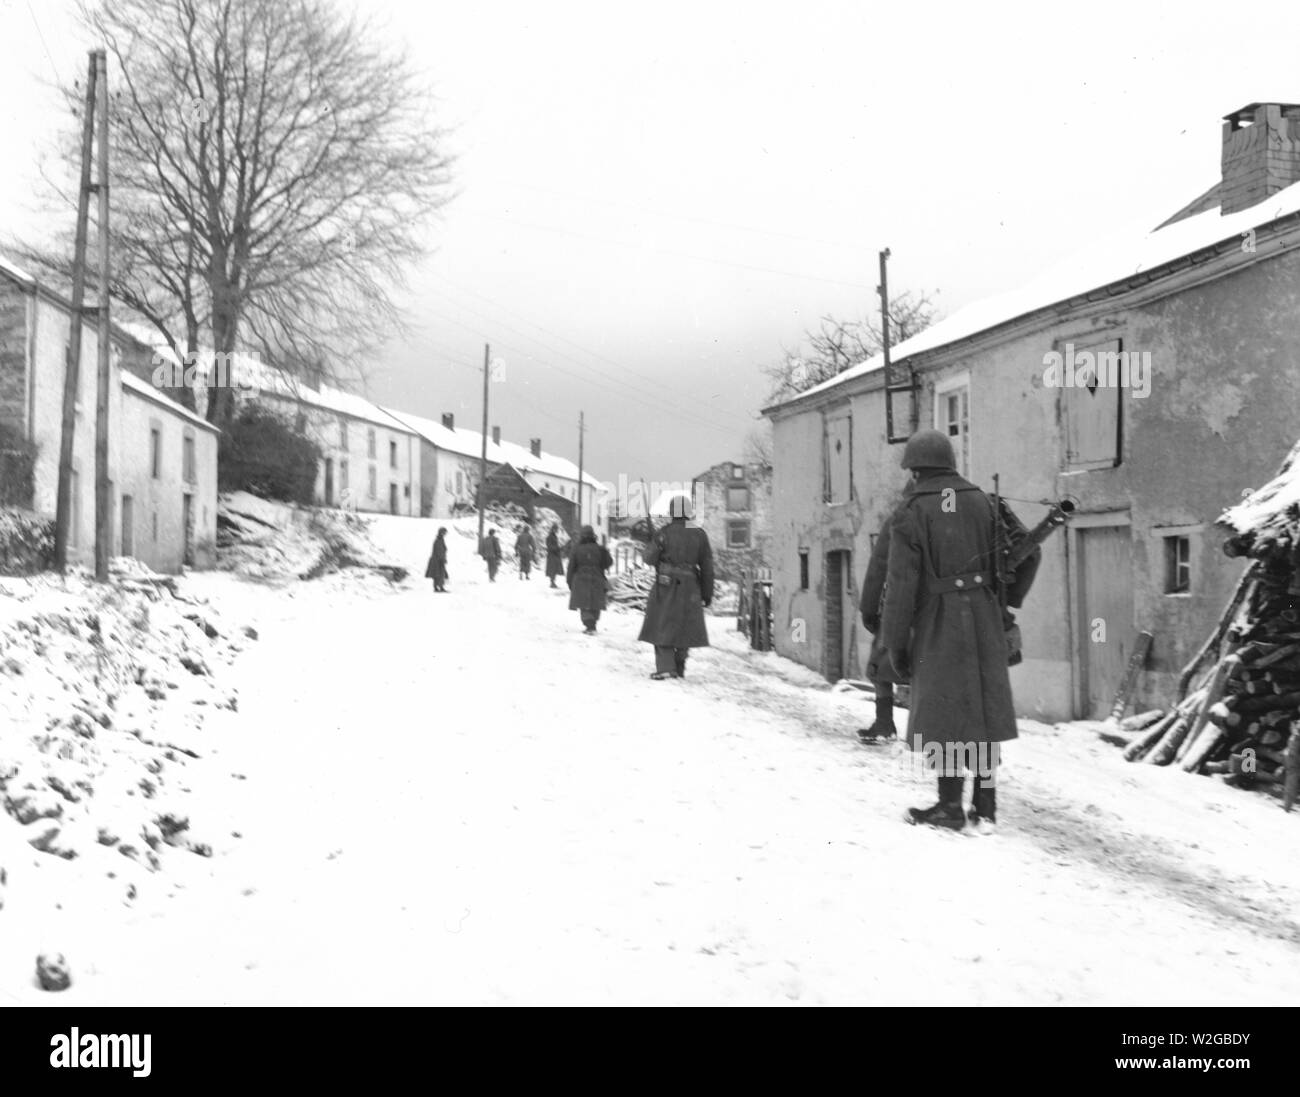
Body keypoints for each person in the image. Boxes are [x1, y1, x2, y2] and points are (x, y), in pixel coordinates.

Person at [880, 429, 1039, 834]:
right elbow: (1031, 550)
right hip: (985, 616)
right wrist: (1006, 600)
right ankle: (985, 809)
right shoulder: (984, 502)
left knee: (945, 711)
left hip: (937, 620)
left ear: (915, 469)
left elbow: (900, 587)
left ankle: (950, 807)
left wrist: (894, 645)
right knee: (980, 710)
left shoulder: (910, 513)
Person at [638, 494, 714, 680]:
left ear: (672, 512)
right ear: (688, 512)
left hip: (666, 583)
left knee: (661, 624)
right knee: (684, 626)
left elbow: (648, 559)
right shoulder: (699, 533)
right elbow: (707, 567)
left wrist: (651, 542)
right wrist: (707, 593)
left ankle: (665, 667)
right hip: (691, 586)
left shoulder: (664, 532)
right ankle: (679, 667)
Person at [856, 487, 912, 743]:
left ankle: (884, 722)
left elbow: (878, 568)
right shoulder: (955, 518)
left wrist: (868, 609)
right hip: (942, 613)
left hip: (900, 609)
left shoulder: (898, 521)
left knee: (878, 667)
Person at [567, 525, 613, 634]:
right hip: (597, 577)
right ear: (593, 536)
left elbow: (571, 567)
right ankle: (593, 624)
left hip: (581, 578)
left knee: (584, 604)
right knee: (595, 602)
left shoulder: (576, 549)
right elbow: (609, 562)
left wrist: (570, 582)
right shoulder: (600, 549)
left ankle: (589, 625)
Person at [425, 527, 449, 593]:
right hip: (438, 560)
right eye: (444, 533)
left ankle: (438, 587)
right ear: (441, 533)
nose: (445, 534)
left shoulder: (440, 540)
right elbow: (439, 551)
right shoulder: (438, 540)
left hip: (438, 560)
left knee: (438, 574)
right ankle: (439, 587)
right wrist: (442, 559)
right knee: (439, 574)